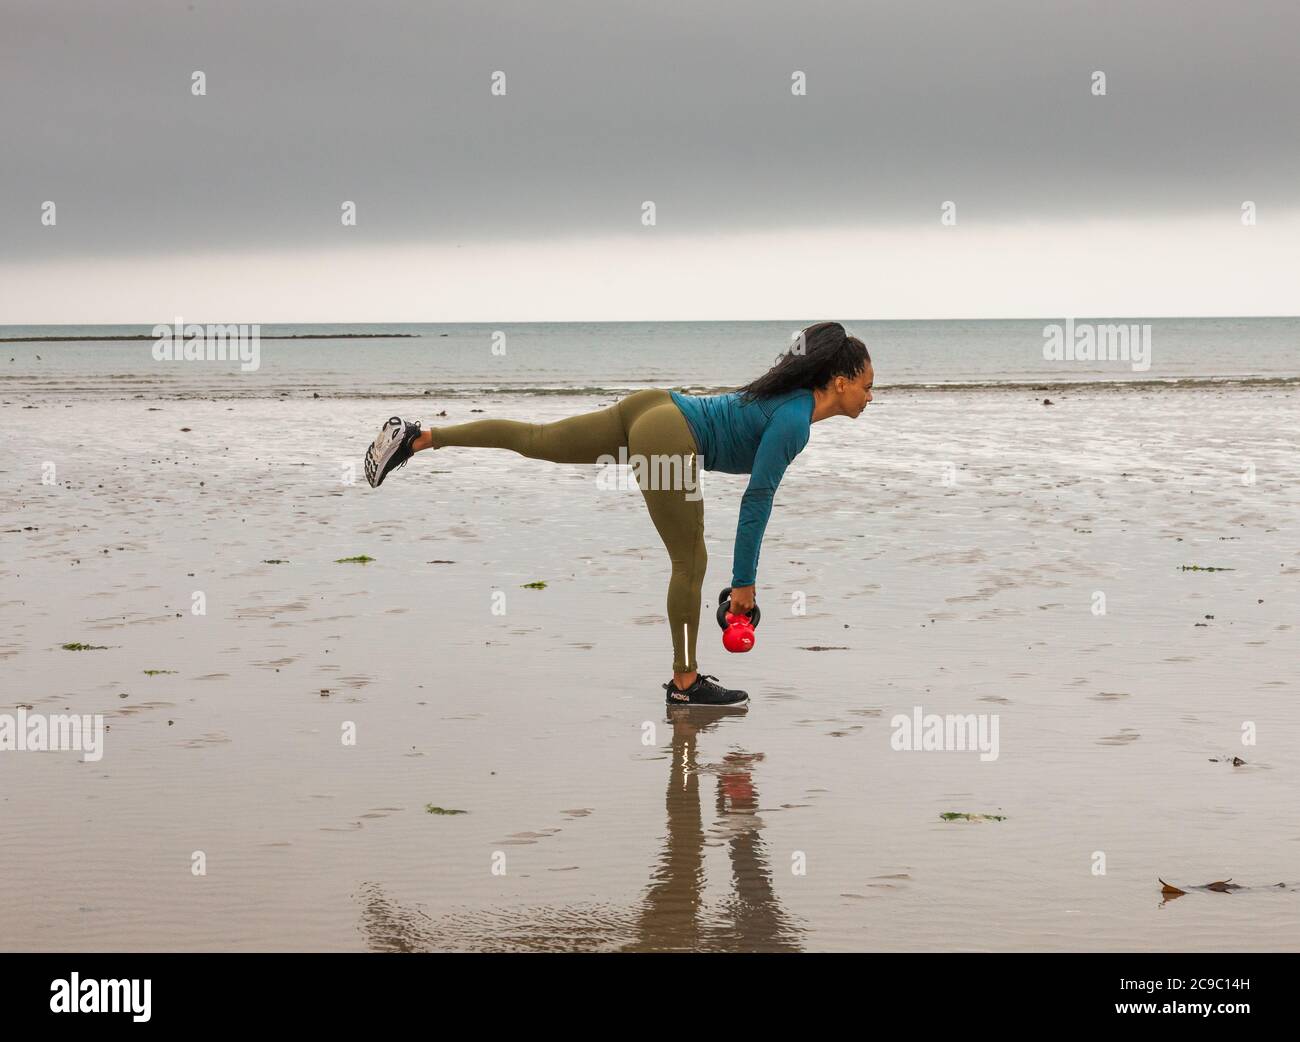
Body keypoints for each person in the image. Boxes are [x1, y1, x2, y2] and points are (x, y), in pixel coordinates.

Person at [363, 320, 873, 707]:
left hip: (654, 406)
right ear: (841, 380)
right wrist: (744, 585)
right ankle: (685, 683)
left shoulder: (785, 399)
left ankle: (419, 437)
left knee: (539, 440)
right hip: (672, 438)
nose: (870, 396)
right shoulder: (794, 421)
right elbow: (757, 501)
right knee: (690, 563)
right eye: (867, 385)